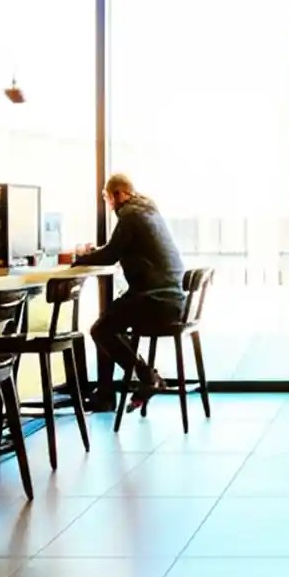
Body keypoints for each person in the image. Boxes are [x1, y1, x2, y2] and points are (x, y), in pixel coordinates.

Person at [74, 174, 186, 411]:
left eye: (107, 198)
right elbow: (117, 249)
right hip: (171, 299)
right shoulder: (148, 211)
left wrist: (80, 258)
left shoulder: (130, 215)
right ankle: (138, 380)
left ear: (118, 194)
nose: (109, 204)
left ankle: (143, 379)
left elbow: (110, 255)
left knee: (102, 329)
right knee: (110, 322)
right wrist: (97, 253)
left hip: (154, 299)